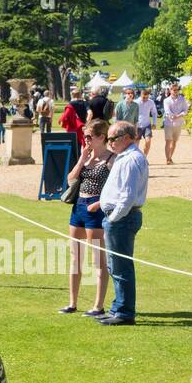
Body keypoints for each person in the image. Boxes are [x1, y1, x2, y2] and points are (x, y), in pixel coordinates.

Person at [92, 121, 147, 326]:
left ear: (126, 138)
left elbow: (128, 196)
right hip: (117, 217)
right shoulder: (124, 157)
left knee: (121, 266)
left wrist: (113, 218)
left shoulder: (131, 159)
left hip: (122, 219)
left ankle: (124, 312)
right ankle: (118, 307)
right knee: (114, 265)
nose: (110, 142)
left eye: (113, 138)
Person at [62, 119, 113, 316]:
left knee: (98, 260)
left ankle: (98, 305)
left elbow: (116, 188)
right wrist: (82, 159)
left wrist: (100, 203)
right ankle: (72, 303)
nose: (86, 139)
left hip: (95, 209)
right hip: (78, 207)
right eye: (85, 136)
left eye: (90, 136)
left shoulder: (111, 159)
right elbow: (70, 179)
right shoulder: (87, 156)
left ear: (102, 137)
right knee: (75, 257)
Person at [162, 85, 188, 165]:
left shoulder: (182, 99)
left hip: (178, 123)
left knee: (174, 142)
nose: (175, 91)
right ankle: (168, 159)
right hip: (168, 122)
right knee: (168, 141)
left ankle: (170, 157)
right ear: (170, 90)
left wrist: (178, 115)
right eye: (174, 90)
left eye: (177, 90)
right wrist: (173, 115)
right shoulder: (166, 100)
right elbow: (167, 110)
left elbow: (185, 110)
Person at [135, 87, 158, 157]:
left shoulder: (151, 102)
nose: (145, 99)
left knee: (148, 141)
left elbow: (154, 112)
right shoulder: (136, 102)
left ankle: (144, 157)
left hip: (147, 125)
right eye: (144, 97)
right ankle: (136, 158)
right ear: (141, 95)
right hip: (137, 125)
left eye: (147, 97)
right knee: (136, 144)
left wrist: (154, 123)